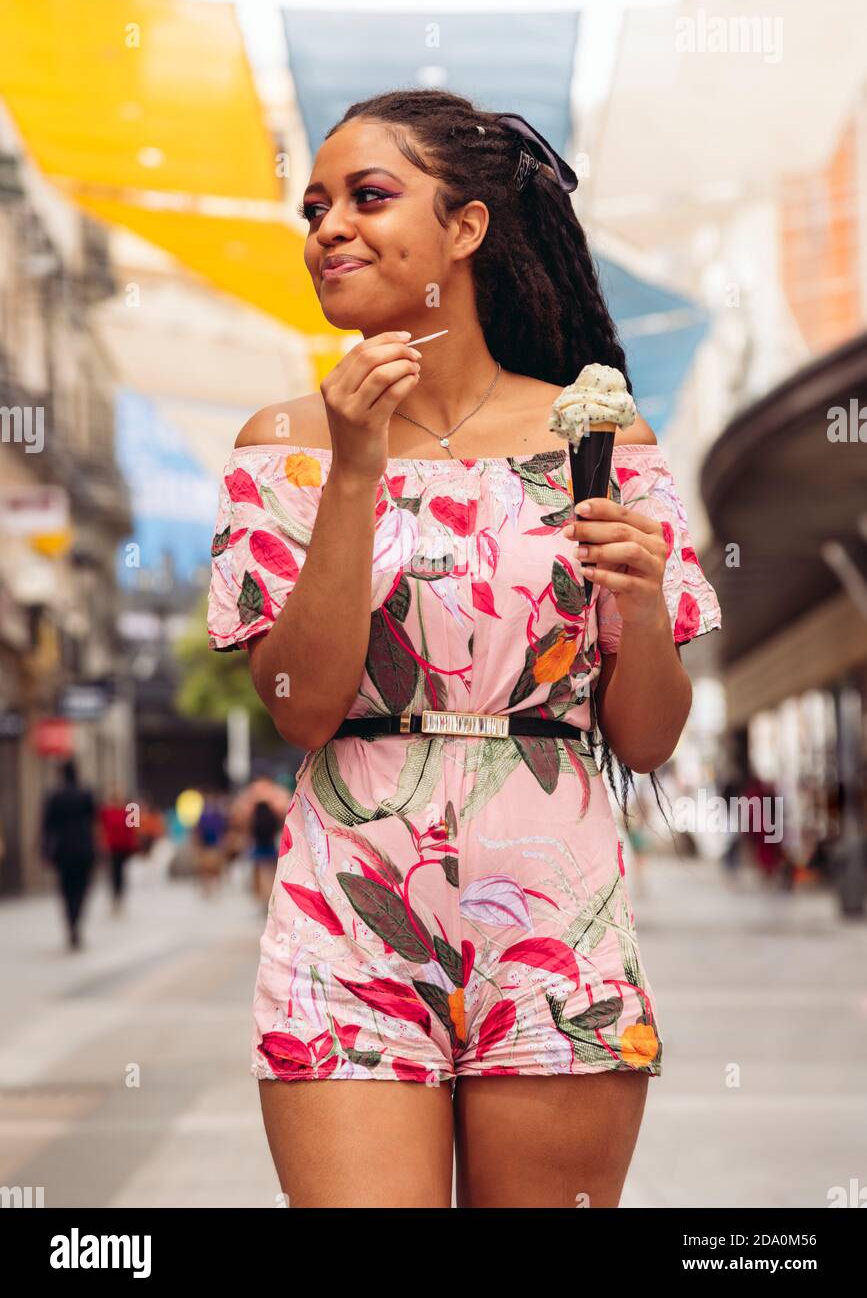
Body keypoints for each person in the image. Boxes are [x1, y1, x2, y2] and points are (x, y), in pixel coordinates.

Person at [205, 89, 723, 1208]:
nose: (328, 227)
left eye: (368, 196)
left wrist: (637, 606)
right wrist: (355, 467)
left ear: (469, 227)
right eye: (315, 208)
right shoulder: (285, 445)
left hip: (554, 904)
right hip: (350, 905)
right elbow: (299, 706)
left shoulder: (602, 438)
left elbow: (649, 733)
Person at [40, 760, 97, 950]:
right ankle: (76, 921)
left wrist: (46, 851)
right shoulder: (86, 794)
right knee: (81, 888)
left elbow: (47, 826)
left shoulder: (55, 796)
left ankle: (71, 923)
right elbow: (94, 819)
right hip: (83, 848)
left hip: (63, 850)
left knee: (66, 890)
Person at [98, 786, 139, 913]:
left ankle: (119, 896)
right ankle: (115, 897)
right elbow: (101, 828)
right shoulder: (106, 812)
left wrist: (134, 844)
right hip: (112, 846)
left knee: (120, 872)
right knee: (114, 872)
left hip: (124, 846)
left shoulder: (129, 810)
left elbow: (133, 829)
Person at [193, 789, 228, 896]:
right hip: (207, 845)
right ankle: (207, 889)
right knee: (205, 869)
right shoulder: (203, 816)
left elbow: (223, 830)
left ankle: (215, 888)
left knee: (215, 869)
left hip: (215, 845)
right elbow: (198, 831)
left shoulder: (218, 816)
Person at [249, 798, 282, 908]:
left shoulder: (255, 821)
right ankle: (272, 897)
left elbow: (252, 835)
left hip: (259, 851)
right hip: (271, 849)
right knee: (272, 876)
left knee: (262, 876)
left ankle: (265, 898)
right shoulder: (272, 819)